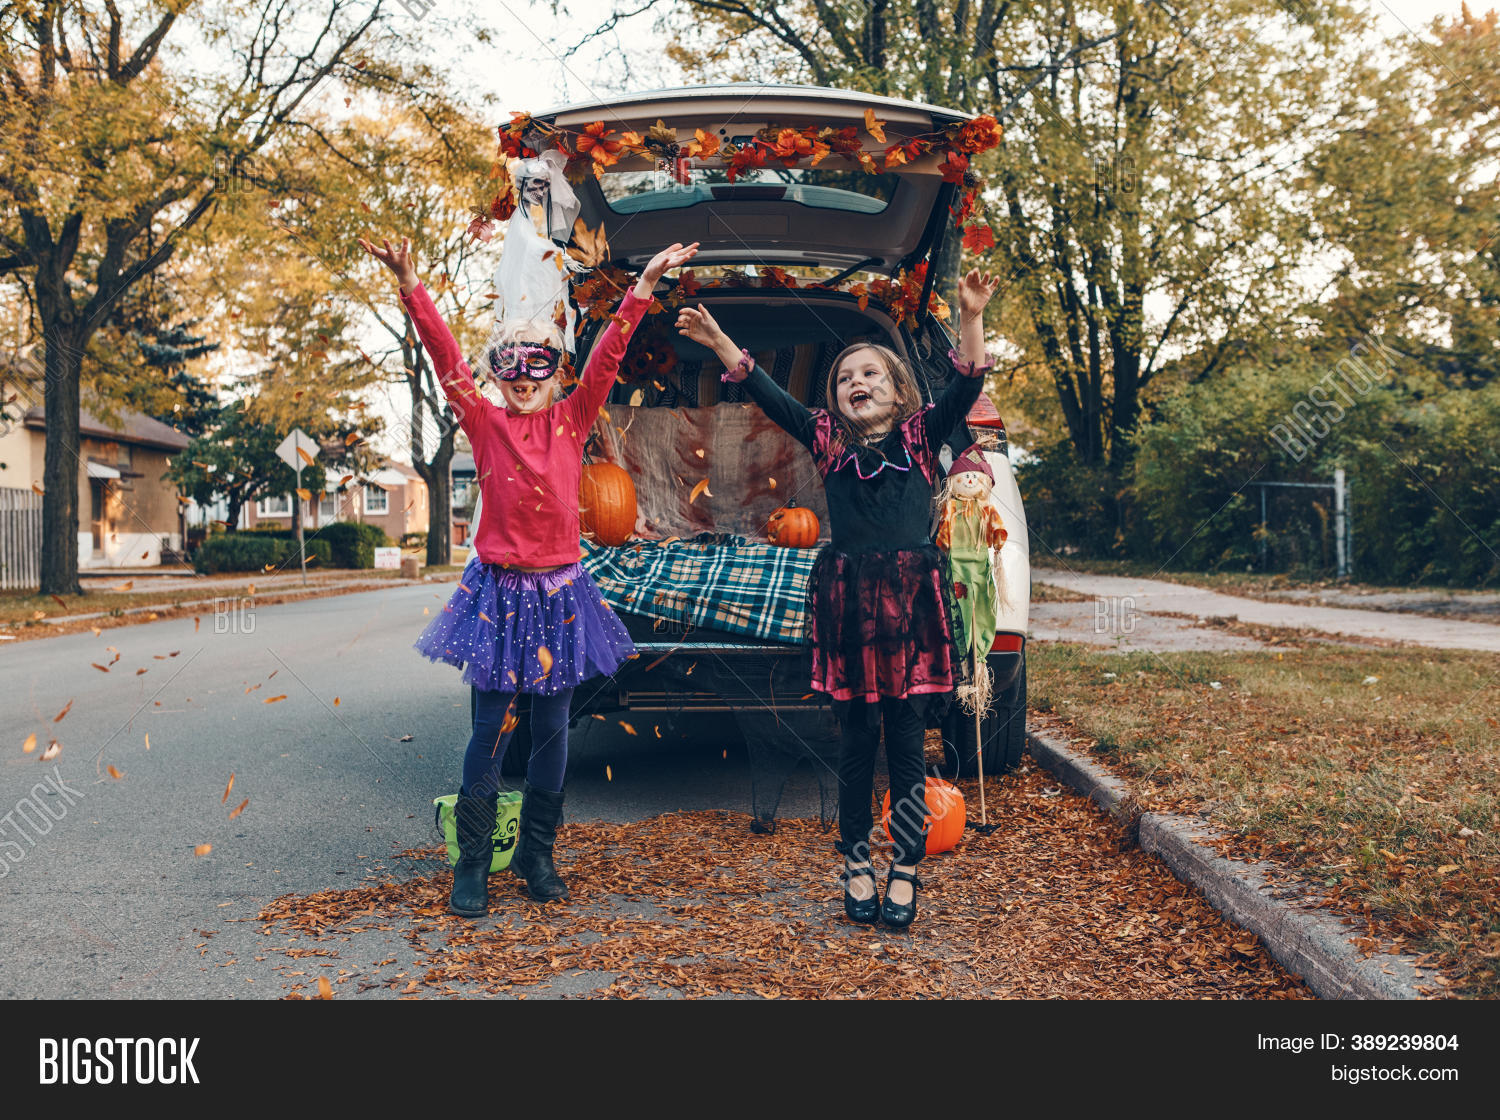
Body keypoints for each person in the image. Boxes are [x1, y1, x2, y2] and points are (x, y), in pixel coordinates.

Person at [360, 232, 701, 915]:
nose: (521, 375)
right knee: (491, 727)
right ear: (494, 374)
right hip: (497, 595)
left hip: (560, 594)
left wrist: (643, 287)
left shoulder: (573, 422)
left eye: (536, 362)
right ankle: (475, 861)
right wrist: (409, 282)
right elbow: (444, 356)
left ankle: (539, 856)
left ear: (555, 374)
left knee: (554, 727)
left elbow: (609, 357)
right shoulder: (482, 422)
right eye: (507, 363)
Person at [675, 269, 999, 928]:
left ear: (898, 389)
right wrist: (719, 342)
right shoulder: (825, 440)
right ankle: (855, 858)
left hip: (911, 607)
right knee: (855, 742)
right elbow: (767, 393)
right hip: (851, 604)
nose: (858, 382)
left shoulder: (918, 436)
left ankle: (904, 866)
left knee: (906, 744)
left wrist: (970, 315)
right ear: (836, 397)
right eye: (847, 376)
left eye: (872, 374)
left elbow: (966, 384)